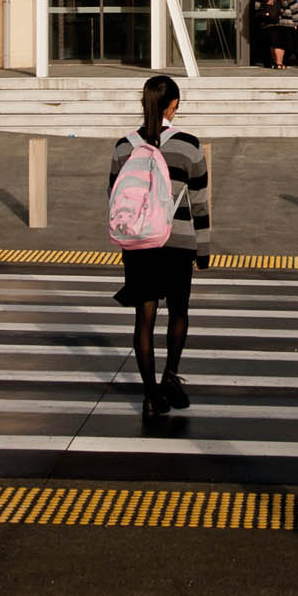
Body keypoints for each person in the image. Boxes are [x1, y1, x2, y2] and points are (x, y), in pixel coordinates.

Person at [108, 74, 211, 419]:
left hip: (139, 242)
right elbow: (200, 202)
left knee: (144, 320)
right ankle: (170, 376)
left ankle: (151, 395)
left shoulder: (124, 146)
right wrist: (204, 250)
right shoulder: (189, 145)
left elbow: (115, 197)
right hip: (178, 240)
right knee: (178, 312)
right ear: (174, 106)